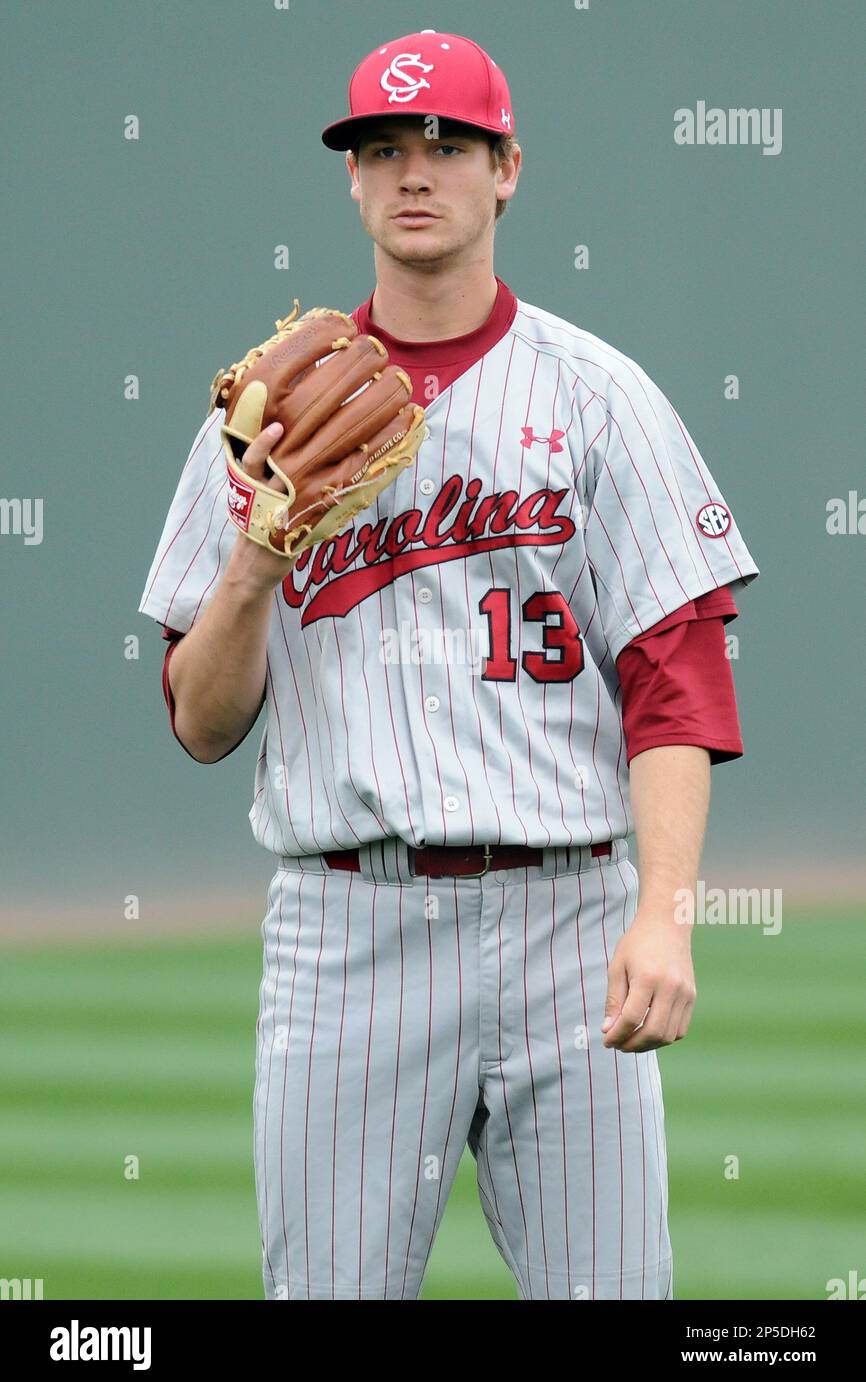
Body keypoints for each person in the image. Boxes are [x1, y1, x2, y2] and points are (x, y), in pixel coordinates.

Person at [138, 29, 760, 1300]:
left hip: (567, 918)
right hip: (345, 924)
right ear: (352, 182)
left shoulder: (599, 397)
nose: (413, 170)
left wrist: (665, 910)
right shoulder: (261, 416)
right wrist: (259, 557)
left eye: (446, 145)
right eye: (382, 148)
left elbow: (677, 678)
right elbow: (200, 724)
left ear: (506, 169)